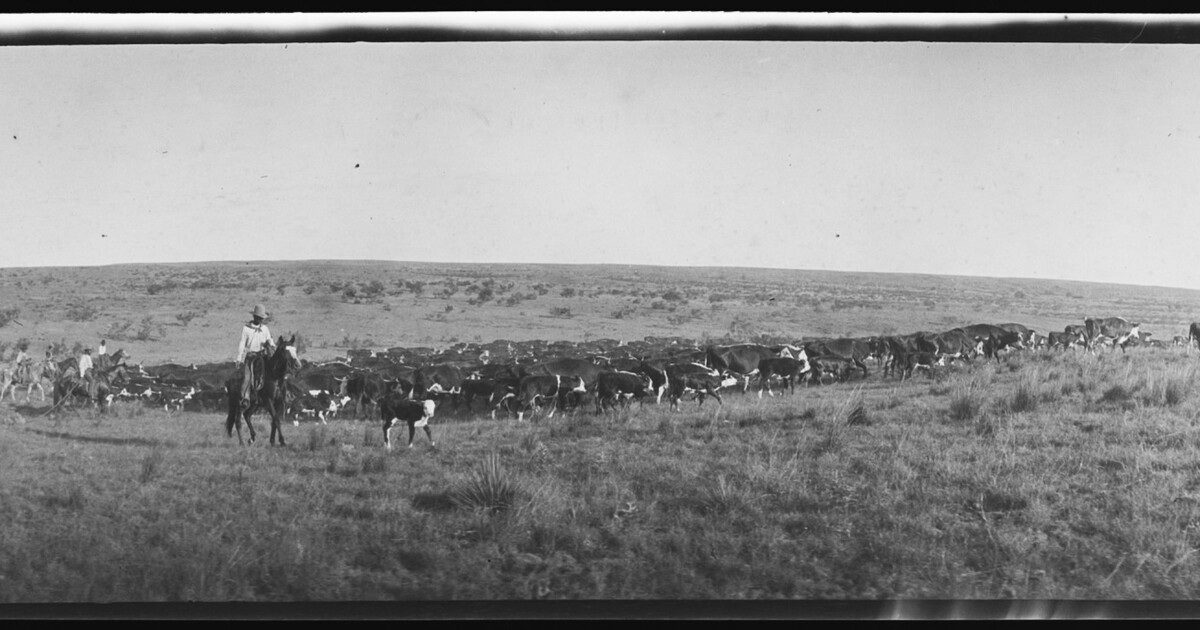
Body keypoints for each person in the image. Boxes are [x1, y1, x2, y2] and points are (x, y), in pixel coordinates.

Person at [235, 304, 275, 410]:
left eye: (261, 318)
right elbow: (242, 343)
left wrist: (272, 346)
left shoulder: (265, 329)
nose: (260, 320)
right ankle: (245, 397)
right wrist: (239, 358)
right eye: (258, 318)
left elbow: (269, 340)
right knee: (247, 377)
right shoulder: (246, 329)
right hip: (251, 357)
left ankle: (273, 394)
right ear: (254, 317)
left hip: (262, 356)